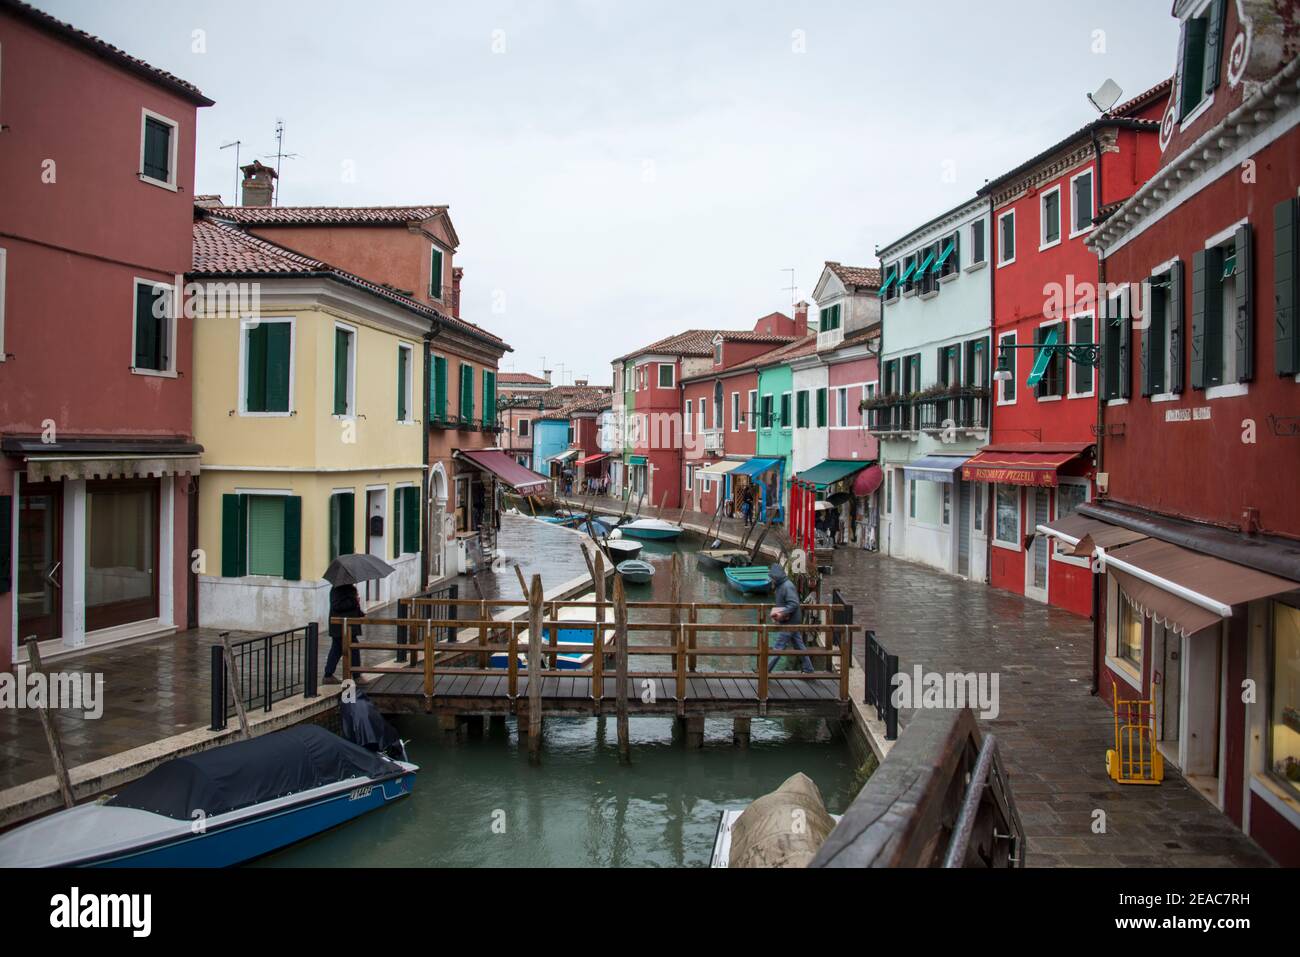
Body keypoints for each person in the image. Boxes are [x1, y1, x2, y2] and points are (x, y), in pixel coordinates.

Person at [767, 563, 813, 674]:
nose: (770, 580)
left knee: (778, 647)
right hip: (792, 621)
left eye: (772, 577)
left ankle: (765, 670)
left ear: (776, 577)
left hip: (790, 622)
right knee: (799, 646)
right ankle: (808, 669)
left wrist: (781, 613)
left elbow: (793, 603)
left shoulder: (786, 586)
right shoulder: (781, 585)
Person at [324, 582, 364, 685]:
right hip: (341, 627)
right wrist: (354, 601)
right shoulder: (337, 588)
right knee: (353, 649)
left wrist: (360, 613)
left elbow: (351, 607)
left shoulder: (349, 588)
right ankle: (356, 676)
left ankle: (328, 675)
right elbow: (337, 605)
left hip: (347, 626)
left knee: (337, 650)